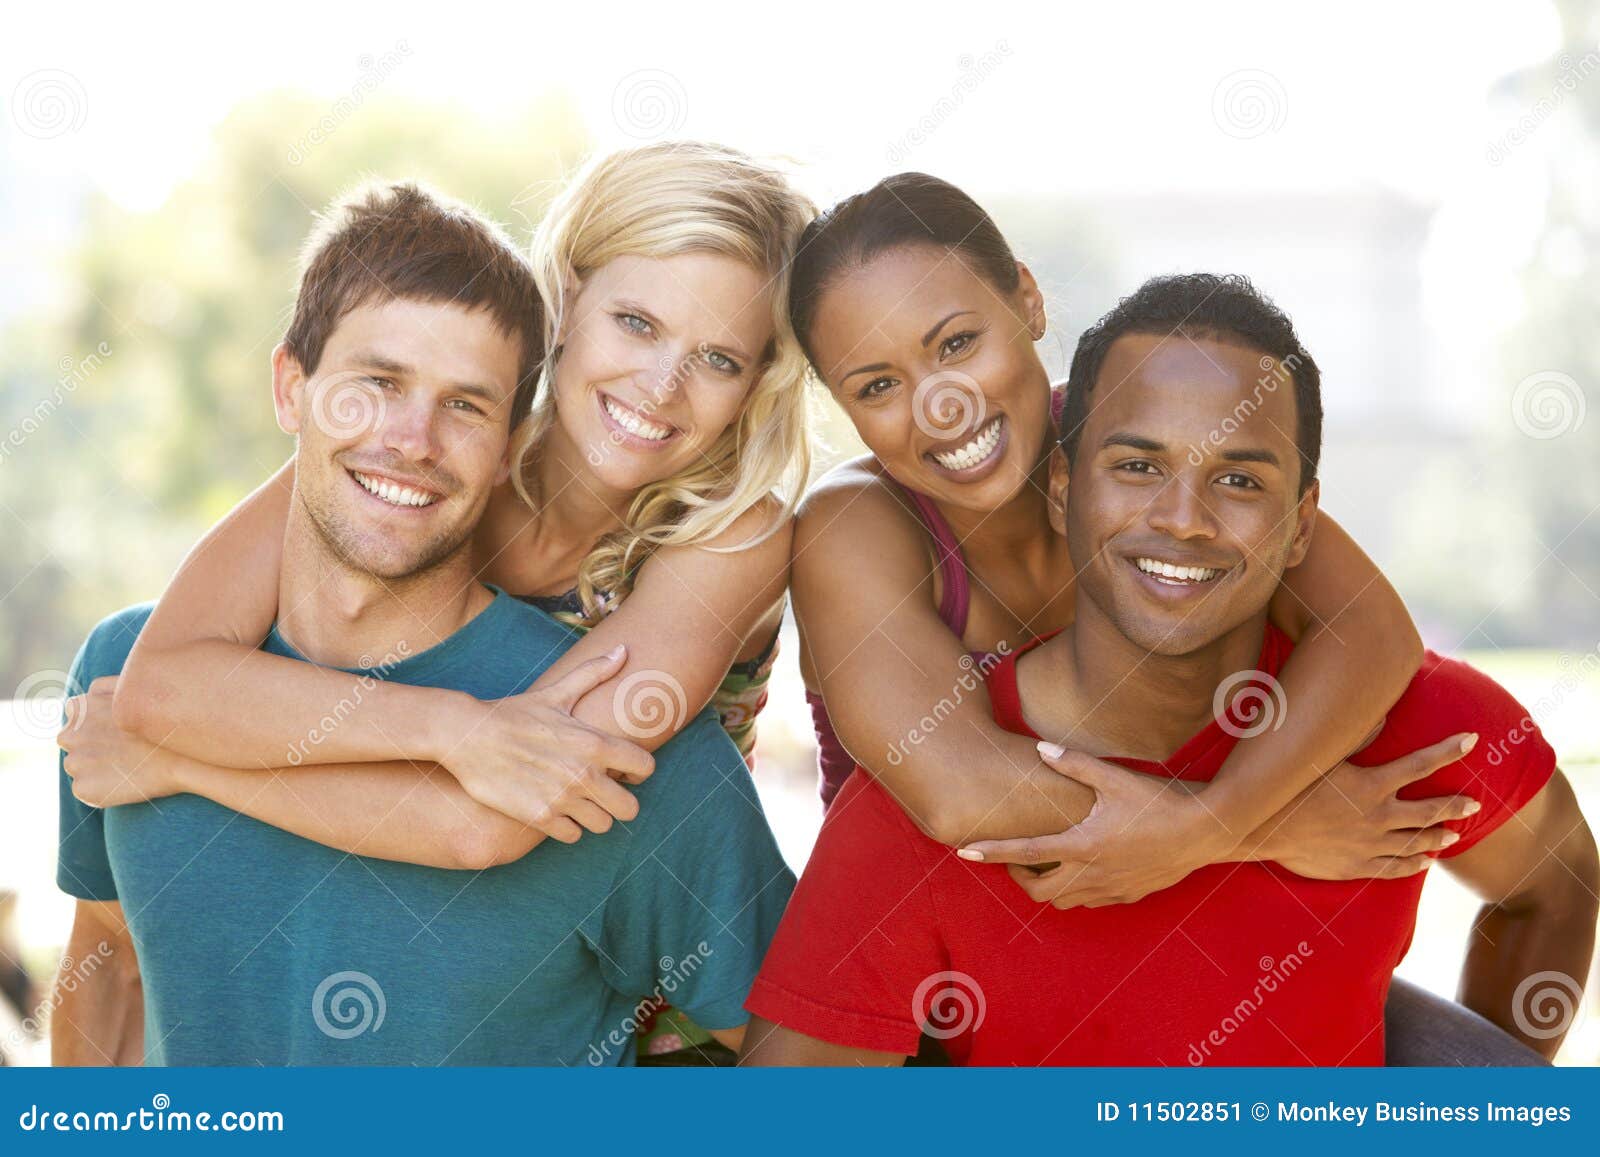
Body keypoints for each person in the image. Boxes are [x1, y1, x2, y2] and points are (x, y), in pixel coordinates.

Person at [64, 141, 813, 1061]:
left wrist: (183, 770)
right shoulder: (431, 447)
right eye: (637, 323)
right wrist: (452, 727)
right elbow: (162, 686)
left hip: (666, 1007)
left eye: (719, 359)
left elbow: (486, 819)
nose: (661, 386)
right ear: (567, 296)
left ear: (758, 380)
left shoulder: (729, 531)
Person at [740, 273, 1598, 1066]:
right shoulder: (923, 806)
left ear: (1302, 525)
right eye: (1139, 466)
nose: (1182, 518)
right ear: (1064, 487)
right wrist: (1239, 833)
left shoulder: (1410, 732)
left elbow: (1559, 885)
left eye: (1238, 479)